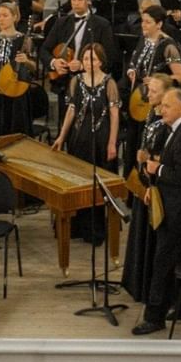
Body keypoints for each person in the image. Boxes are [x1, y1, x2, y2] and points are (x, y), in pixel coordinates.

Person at [131, 88, 181, 335]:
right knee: (179, 258)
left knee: (162, 263)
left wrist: (157, 170)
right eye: (161, 106)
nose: (161, 110)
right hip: (176, 206)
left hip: (179, 211)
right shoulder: (179, 130)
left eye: (167, 106)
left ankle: (155, 317)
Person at [53, 43, 120, 244]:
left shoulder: (109, 83)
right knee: (78, 182)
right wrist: (61, 137)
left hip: (100, 138)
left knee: (97, 184)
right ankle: (78, 227)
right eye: (86, 59)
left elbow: (115, 116)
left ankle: (97, 230)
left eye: (93, 59)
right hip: (79, 138)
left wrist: (112, 143)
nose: (89, 63)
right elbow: (71, 111)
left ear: (101, 61)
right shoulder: (76, 81)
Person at [118, 72, 173, 307]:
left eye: (153, 91)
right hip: (143, 181)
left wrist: (148, 157)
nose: (147, 94)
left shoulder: (167, 121)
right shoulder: (151, 112)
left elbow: (163, 155)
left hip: (157, 187)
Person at [0, 2, 38, 137]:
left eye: (5, 15)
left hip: (18, 87)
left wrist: (27, 61)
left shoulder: (25, 40)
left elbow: (35, 67)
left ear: (15, 17)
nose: (1, 19)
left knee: (16, 125)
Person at [125, 6, 181, 94]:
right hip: (140, 93)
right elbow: (135, 62)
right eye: (143, 21)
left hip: (159, 95)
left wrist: (158, 81)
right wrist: (132, 71)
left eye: (148, 22)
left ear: (159, 24)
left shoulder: (168, 46)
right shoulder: (144, 38)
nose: (143, 25)